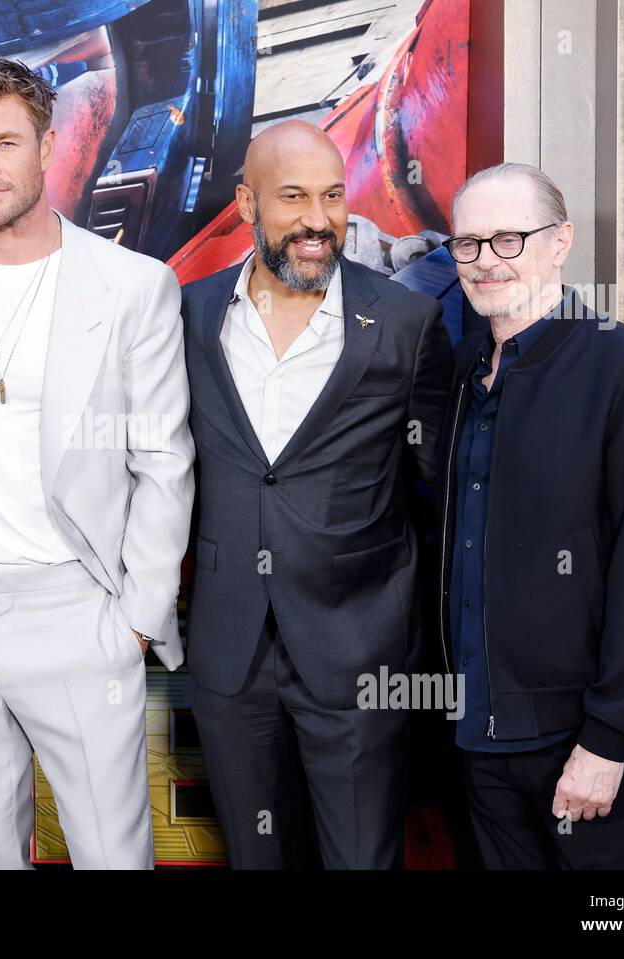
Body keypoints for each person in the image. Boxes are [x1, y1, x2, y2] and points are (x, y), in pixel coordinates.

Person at [0, 56, 194, 869]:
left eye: (7, 142)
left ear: (48, 144)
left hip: (78, 613)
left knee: (111, 856)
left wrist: (134, 619)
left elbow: (163, 458)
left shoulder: (132, 286)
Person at [179, 119, 453, 868]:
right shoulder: (190, 315)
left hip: (360, 649)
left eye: (333, 196)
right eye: (293, 196)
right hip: (231, 648)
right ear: (245, 203)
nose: (317, 219)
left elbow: (436, 489)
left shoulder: (406, 322)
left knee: (363, 858)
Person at [438, 162, 624, 868]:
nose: (486, 260)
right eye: (468, 243)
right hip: (479, 748)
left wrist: (609, 739)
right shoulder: (463, 373)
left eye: (508, 239)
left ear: (560, 242)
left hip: (588, 754)